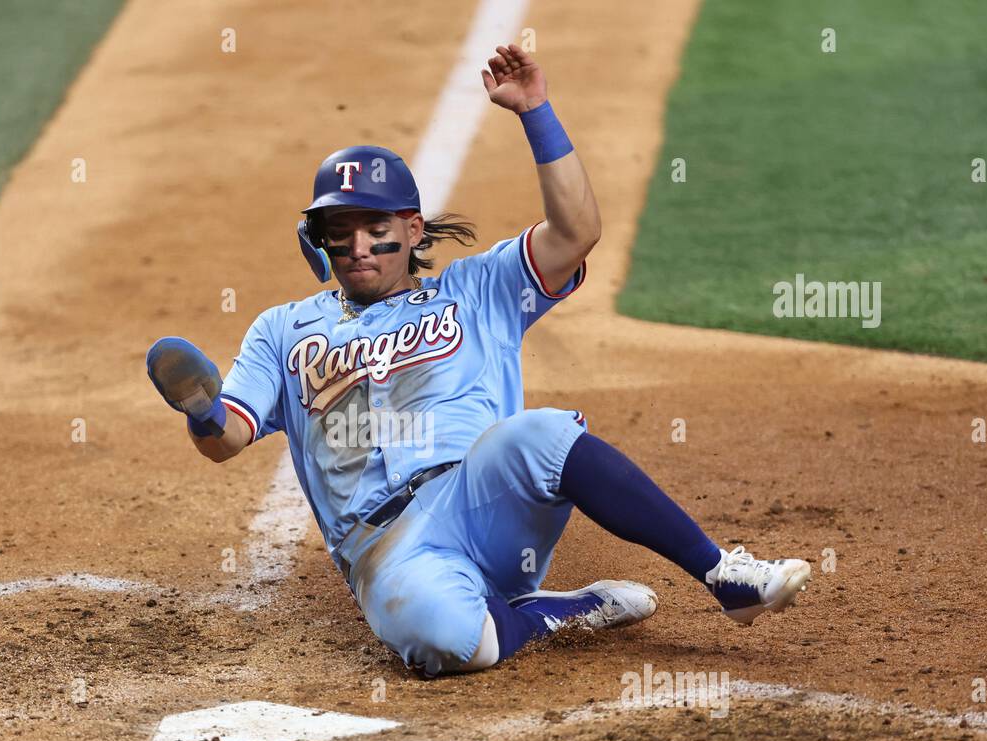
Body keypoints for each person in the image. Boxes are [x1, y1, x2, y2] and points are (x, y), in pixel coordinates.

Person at [148, 44, 809, 676]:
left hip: (483, 496)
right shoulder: (283, 330)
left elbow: (577, 233)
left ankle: (724, 574)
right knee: (445, 643)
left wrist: (534, 113)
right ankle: (556, 612)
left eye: (373, 227)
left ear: (411, 229)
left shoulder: (479, 289)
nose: (357, 246)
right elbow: (227, 438)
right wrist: (202, 411)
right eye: (337, 230)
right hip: (385, 551)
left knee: (540, 433)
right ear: (315, 241)